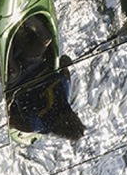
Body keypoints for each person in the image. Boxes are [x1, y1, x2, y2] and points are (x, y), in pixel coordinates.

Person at [5, 13, 85, 141]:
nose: (66, 114)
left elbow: (9, 120)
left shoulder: (37, 125)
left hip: (18, 81)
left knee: (12, 72)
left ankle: (1, 40)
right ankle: (21, 16)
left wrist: (8, 103)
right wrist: (66, 63)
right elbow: (65, 68)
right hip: (34, 64)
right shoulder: (65, 93)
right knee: (45, 38)